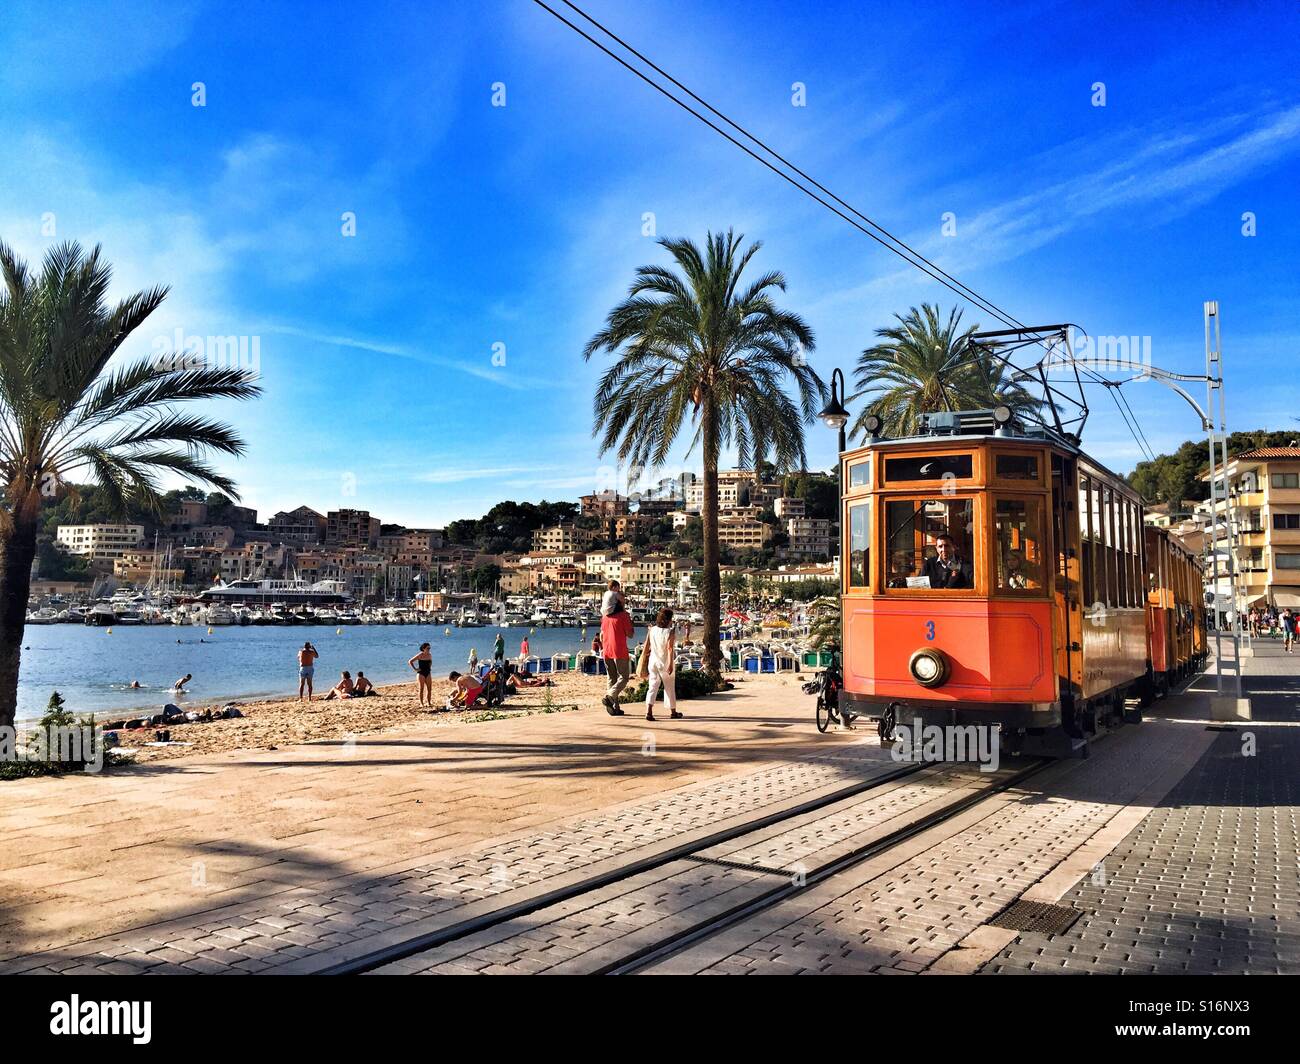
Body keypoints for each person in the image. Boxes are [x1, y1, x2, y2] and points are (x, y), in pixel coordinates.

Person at [645, 606, 682, 723]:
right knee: (669, 687)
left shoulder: (652, 630)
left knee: (652, 686)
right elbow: (670, 648)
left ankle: (649, 711)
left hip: (653, 661)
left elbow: (648, 645)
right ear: (668, 619)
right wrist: (671, 664)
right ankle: (673, 711)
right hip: (664, 661)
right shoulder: (670, 632)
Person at [600, 595, 635, 716]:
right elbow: (630, 634)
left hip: (606, 650)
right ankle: (610, 696)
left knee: (611, 678)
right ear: (619, 603)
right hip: (619, 650)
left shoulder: (605, 617)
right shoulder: (623, 616)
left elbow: (602, 635)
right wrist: (631, 624)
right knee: (624, 677)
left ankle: (615, 707)